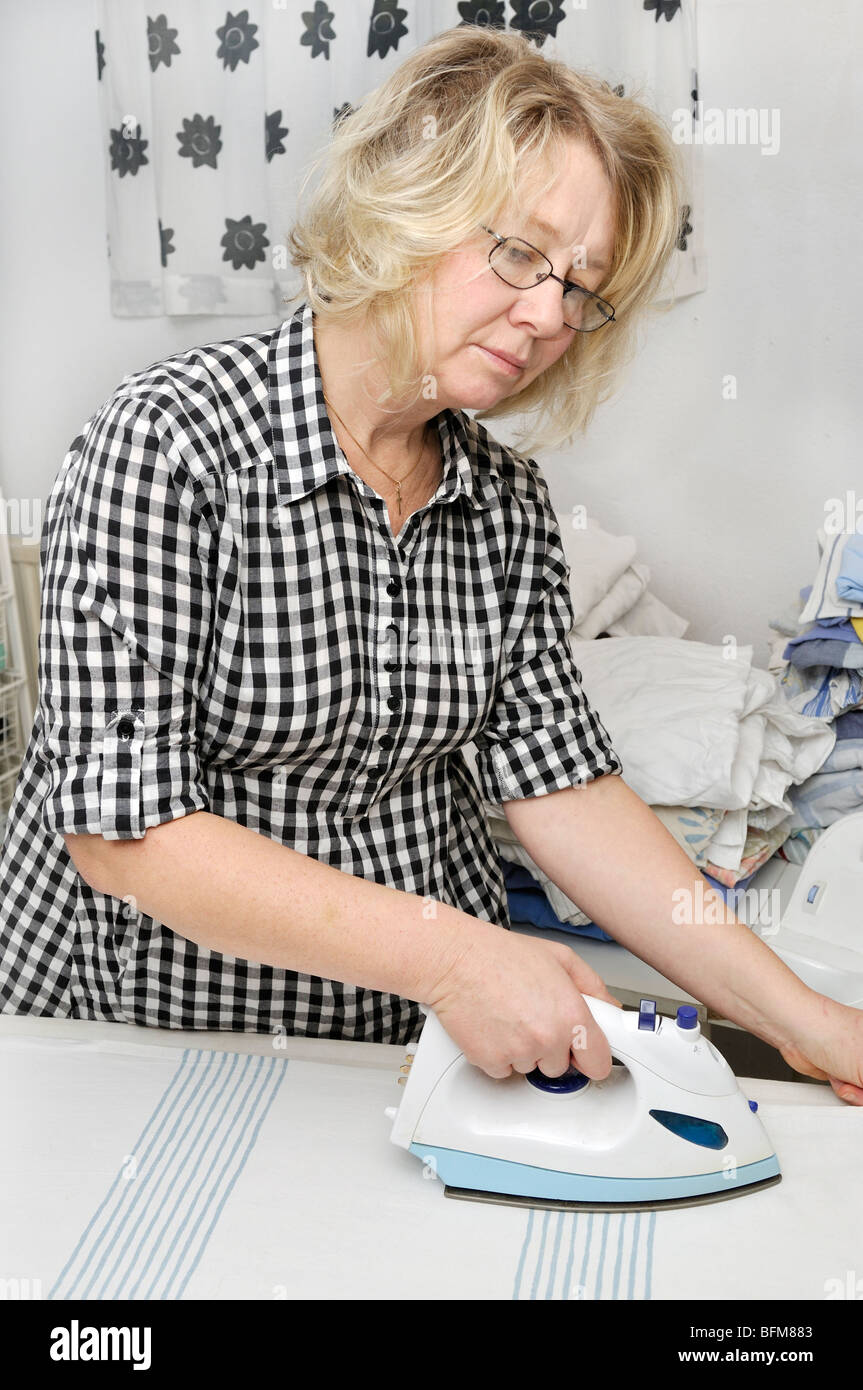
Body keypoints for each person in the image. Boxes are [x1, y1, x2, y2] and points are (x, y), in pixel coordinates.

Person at [1, 25, 862, 1102]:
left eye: (580, 291)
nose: (549, 315)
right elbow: (129, 833)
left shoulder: (502, 505)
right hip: (159, 1036)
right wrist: (455, 954)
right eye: (519, 255)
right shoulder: (169, 447)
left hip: (392, 1044)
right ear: (405, 201)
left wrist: (808, 1023)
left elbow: (563, 786)